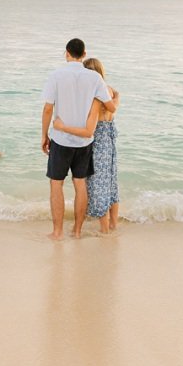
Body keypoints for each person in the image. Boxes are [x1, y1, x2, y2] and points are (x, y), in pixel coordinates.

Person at [41, 38, 117, 240]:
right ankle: (76, 231)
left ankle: (57, 232)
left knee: (56, 184)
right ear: (84, 54)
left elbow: (48, 108)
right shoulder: (94, 78)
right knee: (80, 183)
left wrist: (44, 135)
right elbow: (111, 106)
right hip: (84, 142)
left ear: (66, 53)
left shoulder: (56, 75)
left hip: (61, 139)